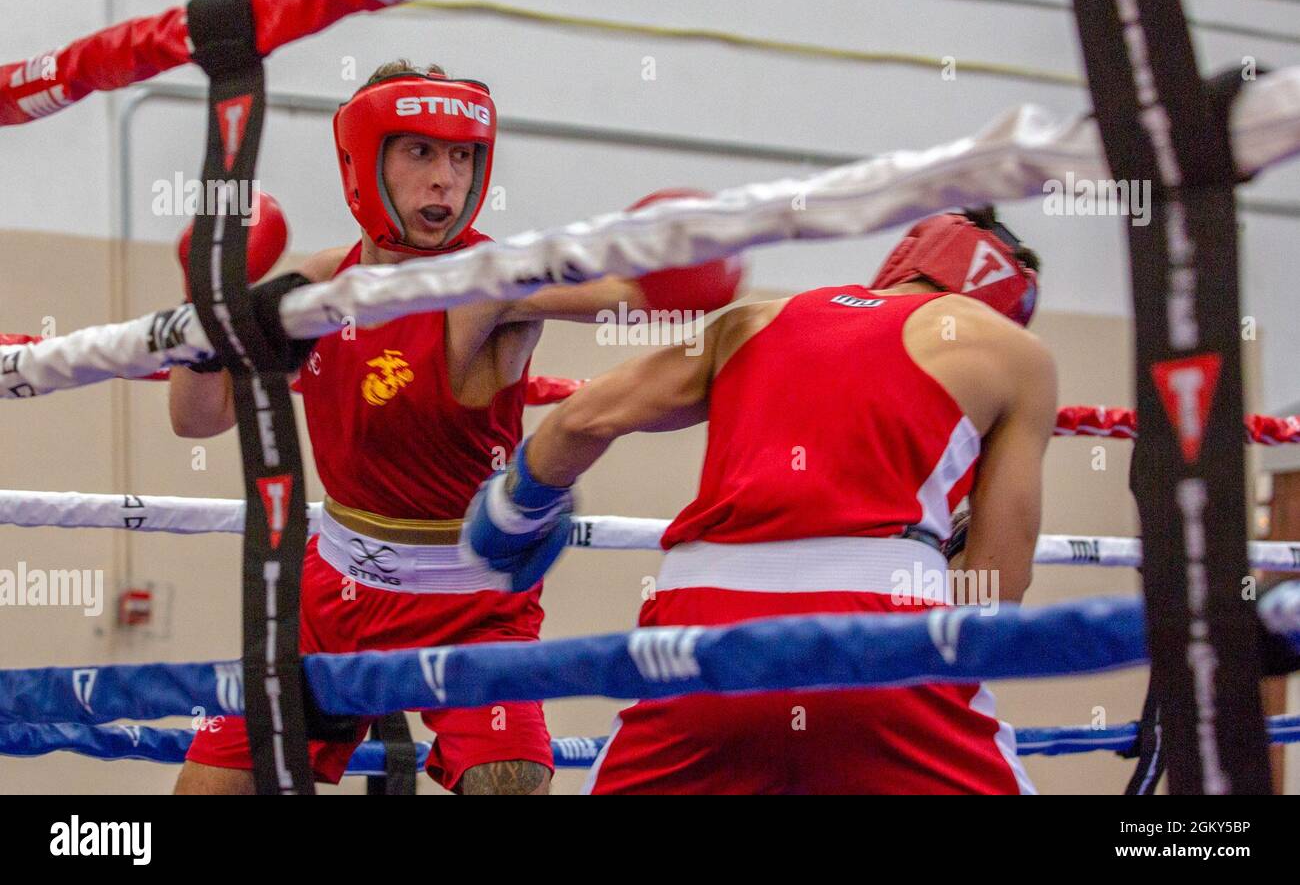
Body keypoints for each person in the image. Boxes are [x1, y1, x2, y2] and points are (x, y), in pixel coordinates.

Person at [169, 61, 742, 794]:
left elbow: (622, 293)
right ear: (363, 162)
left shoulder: (491, 281)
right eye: (420, 153)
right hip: (329, 594)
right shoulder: (317, 289)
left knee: (509, 783)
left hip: (470, 607)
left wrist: (682, 255)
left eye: (462, 155)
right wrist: (203, 304)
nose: (445, 179)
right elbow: (197, 419)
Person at [466, 207, 1056, 794]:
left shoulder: (760, 318)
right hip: (884, 639)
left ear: (908, 254)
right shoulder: (1014, 354)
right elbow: (996, 595)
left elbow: (583, 419)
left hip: (700, 634)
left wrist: (513, 514)